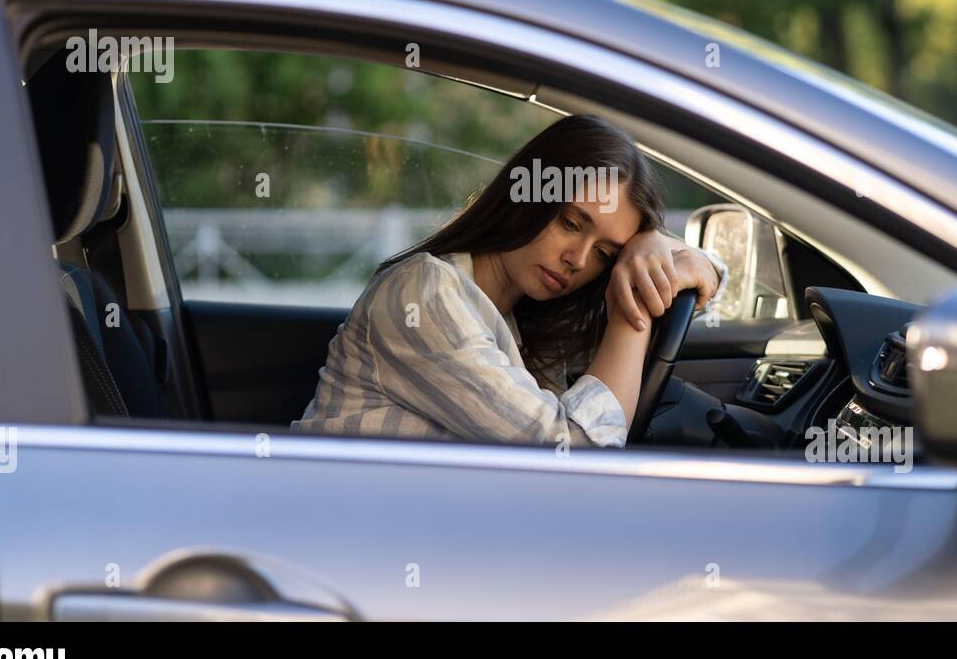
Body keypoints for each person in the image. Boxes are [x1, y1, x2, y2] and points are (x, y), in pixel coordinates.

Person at [293, 114, 727, 448]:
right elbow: (570, 454)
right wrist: (635, 306)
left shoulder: (524, 320)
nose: (577, 260)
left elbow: (710, 274)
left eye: (605, 254)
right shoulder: (425, 294)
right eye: (571, 223)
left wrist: (658, 248)